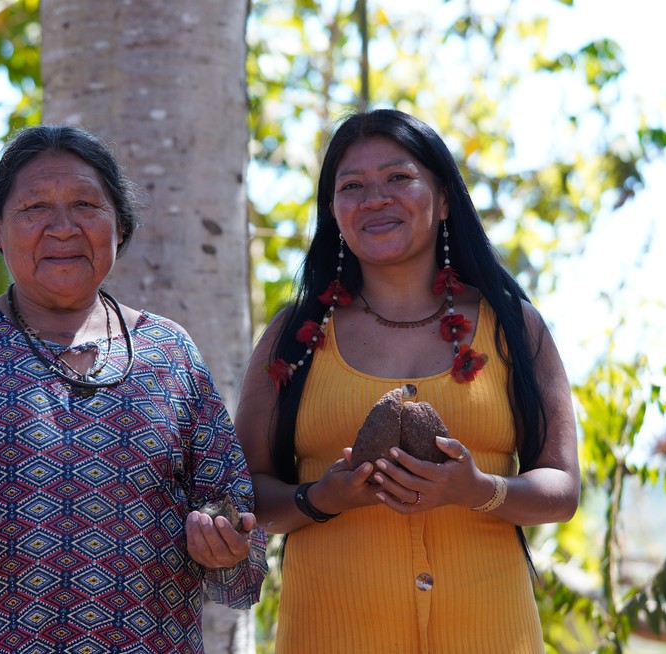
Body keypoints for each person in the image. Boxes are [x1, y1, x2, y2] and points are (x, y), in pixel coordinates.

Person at [0, 124, 267, 654]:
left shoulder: (170, 354)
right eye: (34, 207)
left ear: (120, 226)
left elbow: (235, 516)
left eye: (85, 205)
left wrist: (224, 546)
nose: (62, 228)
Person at [236, 108, 580, 652]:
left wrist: (479, 490)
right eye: (352, 186)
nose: (375, 199)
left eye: (398, 177)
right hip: (330, 634)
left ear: (444, 199)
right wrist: (321, 497)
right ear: (333, 211)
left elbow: (561, 490)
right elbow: (244, 492)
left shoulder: (514, 325)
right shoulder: (294, 335)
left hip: (490, 633)